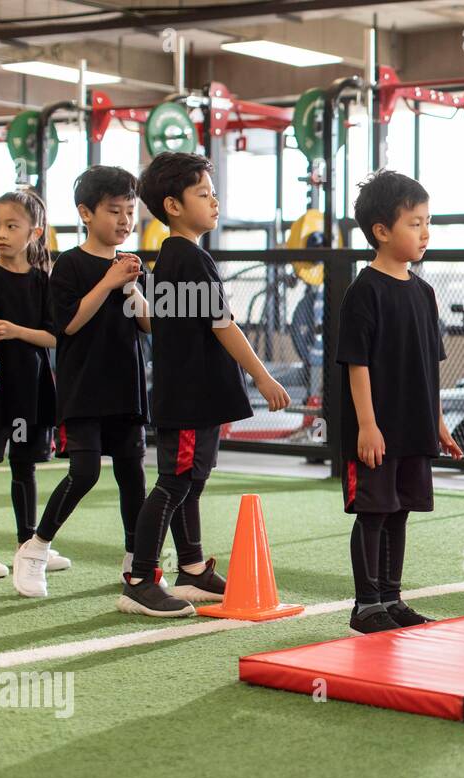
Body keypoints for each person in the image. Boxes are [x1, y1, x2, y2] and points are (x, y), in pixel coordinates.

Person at [118, 151, 291, 616]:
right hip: (190, 397)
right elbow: (223, 324)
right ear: (173, 205)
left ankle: (192, 568)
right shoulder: (188, 258)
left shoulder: (174, 258)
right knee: (174, 483)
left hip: (193, 394)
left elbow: (161, 324)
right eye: (203, 194)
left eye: (213, 193)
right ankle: (140, 578)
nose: (214, 202)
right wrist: (263, 375)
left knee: (190, 482)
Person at [336, 170, 462, 634]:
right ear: (382, 231)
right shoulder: (363, 291)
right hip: (376, 431)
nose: (425, 232)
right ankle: (366, 604)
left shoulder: (425, 294)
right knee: (373, 511)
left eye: (428, 221)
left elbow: (429, 367)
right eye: (415, 223)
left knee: (400, 509)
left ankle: (391, 597)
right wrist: (368, 426)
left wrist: (439, 423)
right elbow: (356, 363)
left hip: (413, 427)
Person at [14, 166, 149, 598]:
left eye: (130, 211)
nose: (125, 221)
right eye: (115, 211)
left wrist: (132, 288)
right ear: (86, 213)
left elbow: (148, 325)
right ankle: (35, 548)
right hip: (83, 388)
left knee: (133, 474)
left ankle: (136, 560)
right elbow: (68, 325)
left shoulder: (129, 265)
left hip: (126, 386)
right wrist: (109, 282)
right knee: (85, 471)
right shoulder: (69, 264)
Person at [0, 190, 66, 581]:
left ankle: (27, 542)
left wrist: (15, 331)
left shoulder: (44, 282)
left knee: (23, 465)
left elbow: (55, 337)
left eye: (11, 226)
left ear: (34, 231)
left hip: (30, 392)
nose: (1, 234)